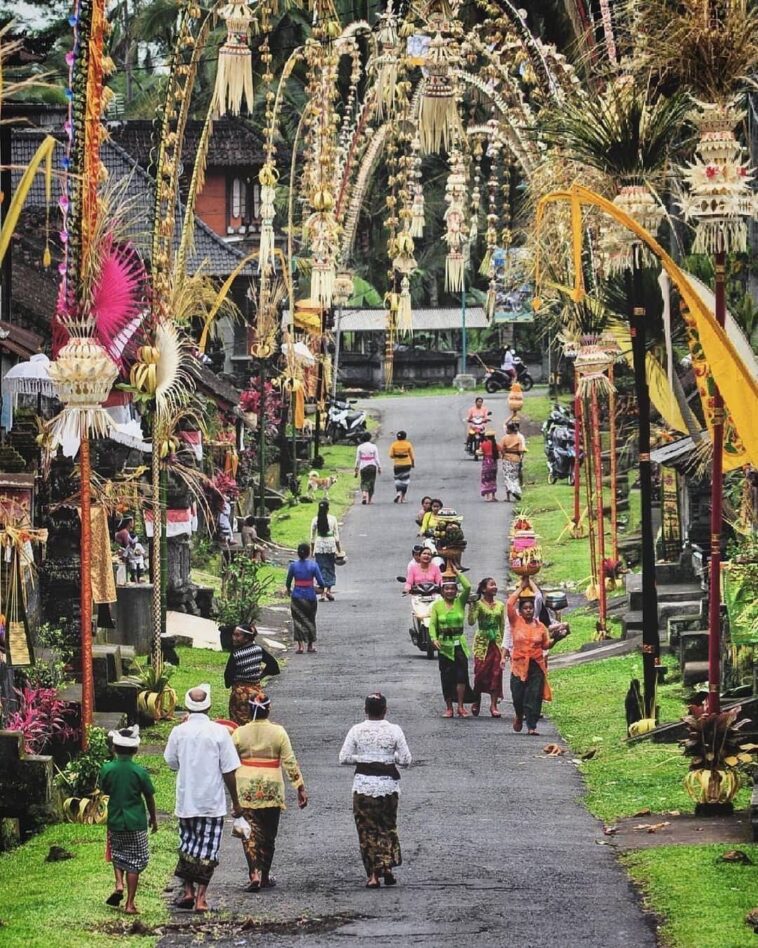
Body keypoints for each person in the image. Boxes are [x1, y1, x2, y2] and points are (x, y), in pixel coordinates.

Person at [163, 684, 242, 913]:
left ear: (188, 706)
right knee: (207, 850)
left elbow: (171, 762)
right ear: (208, 707)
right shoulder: (219, 732)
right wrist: (236, 801)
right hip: (211, 802)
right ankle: (201, 898)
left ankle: (187, 890)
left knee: (187, 845)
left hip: (186, 800)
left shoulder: (179, 732)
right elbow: (229, 770)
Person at [232, 693, 308, 891]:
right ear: (269, 709)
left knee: (249, 833)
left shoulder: (239, 733)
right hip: (272, 789)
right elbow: (289, 762)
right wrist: (299, 787)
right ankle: (265, 875)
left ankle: (253, 873)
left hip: (246, 787)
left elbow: (229, 761)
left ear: (249, 710)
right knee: (268, 834)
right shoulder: (279, 732)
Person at [339, 693, 412, 888]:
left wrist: (363, 757)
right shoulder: (395, 730)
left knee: (366, 830)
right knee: (387, 826)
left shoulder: (357, 730)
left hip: (363, 786)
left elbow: (344, 757)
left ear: (365, 711)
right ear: (385, 710)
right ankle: (387, 866)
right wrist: (390, 757)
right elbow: (406, 760)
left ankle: (373, 874)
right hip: (389, 786)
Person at [99, 725, 158, 915]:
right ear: (135, 749)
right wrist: (154, 819)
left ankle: (118, 883)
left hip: (115, 820)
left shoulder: (107, 769)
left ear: (114, 748)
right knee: (136, 860)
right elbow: (149, 796)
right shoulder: (139, 771)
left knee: (118, 852)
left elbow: (104, 790)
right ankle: (130, 903)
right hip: (136, 822)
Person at [503, 581, 556, 735]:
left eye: (531, 608)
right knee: (518, 696)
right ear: (520, 610)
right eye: (525, 608)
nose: (528, 611)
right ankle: (519, 715)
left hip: (536, 665)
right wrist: (521, 586)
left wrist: (558, 639)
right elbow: (509, 604)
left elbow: (545, 645)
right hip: (519, 666)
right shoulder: (515, 622)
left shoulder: (540, 627)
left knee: (534, 695)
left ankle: (532, 725)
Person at [429, 565, 474, 718]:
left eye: (452, 589)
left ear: (456, 591)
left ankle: (460, 706)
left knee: (461, 676)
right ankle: (449, 707)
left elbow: (468, 586)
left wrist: (457, 573)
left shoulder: (460, 603)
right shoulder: (437, 606)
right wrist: (434, 638)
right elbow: (433, 625)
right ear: (442, 591)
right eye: (446, 589)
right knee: (447, 677)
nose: (449, 591)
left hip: (459, 645)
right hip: (444, 646)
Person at [224, 623, 281, 724]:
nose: (234, 638)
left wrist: (233, 683)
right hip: (257, 692)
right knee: (256, 721)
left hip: (240, 695)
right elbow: (274, 667)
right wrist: (259, 677)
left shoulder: (236, 654)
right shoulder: (258, 649)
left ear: (247, 638)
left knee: (239, 723)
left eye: (237, 635)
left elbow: (228, 677)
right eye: (234, 635)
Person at [467, 578, 505, 717]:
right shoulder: (478, 604)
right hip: (482, 642)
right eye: (491, 585)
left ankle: (493, 705)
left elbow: (502, 626)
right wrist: (471, 606)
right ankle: (476, 700)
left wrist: (505, 647)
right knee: (480, 673)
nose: (495, 587)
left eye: (495, 584)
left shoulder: (500, 605)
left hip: (496, 642)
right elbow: (471, 622)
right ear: (483, 589)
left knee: (496, 673)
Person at [285, 543, 324, 654]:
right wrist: (320, 588)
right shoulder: (313, 565)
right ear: (308, 553)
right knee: (310, 620)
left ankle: (300, 646)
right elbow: (321, 582)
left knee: (298, 621)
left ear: (298, 553)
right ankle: (310, 645)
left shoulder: (293, 566)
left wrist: (289, 590)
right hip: (310, 597)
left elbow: (288, 582)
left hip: (297, 597)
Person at [309, 500, 341, 601]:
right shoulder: (333, 519)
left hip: (319, 546)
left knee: (320, 569)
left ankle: (322, 592)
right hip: (330, 545)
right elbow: (336, 537)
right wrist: (339, 550)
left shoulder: (315, 520)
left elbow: (312, 538)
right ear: (328, 509)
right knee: (330, 568)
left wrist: (312, 550)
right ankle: (328, 590)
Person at [500, 421, 527, 502]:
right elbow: (521, 450)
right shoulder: (518, 438)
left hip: (507, 459)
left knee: (507, 477)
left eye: (507, 429)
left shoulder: (504, 438)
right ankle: (516, 491)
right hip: (516, 458)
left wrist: (504, 455)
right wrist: (520, 456)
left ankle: (508, 496)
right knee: (514, 477)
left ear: (509, 429)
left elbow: (501, 449)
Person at [388, 430, 415, 504]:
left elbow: (391, 455)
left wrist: (397, 455)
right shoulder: (408, 444)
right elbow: (412, 456)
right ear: (405, 437)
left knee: (398, 479)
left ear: (397, 437)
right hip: (407, 464)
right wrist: (412, 463)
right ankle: (403, 498)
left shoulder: (394, 444)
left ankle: (398, 493)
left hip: (397, 465)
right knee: (405, 480)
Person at [354, 434, 382, 505]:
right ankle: (369, 500)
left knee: (364, 481)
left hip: (363, 466)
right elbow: (376, 458)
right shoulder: (373, 446)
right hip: (372, 466)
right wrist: (379, 467)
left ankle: (364, 494)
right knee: (371, 482)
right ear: (370, 438)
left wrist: (356, 468)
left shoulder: (360, 447)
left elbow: (358, 459)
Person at [480, 430, 499, 502]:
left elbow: (480, 451)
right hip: (493, 462)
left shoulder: (484, 444)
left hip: (486, 462)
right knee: (493, 479)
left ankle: (487, 496)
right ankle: (493, 496)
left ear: (486, 437)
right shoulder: (495, 444)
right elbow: (501, 450)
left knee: (485, 479)